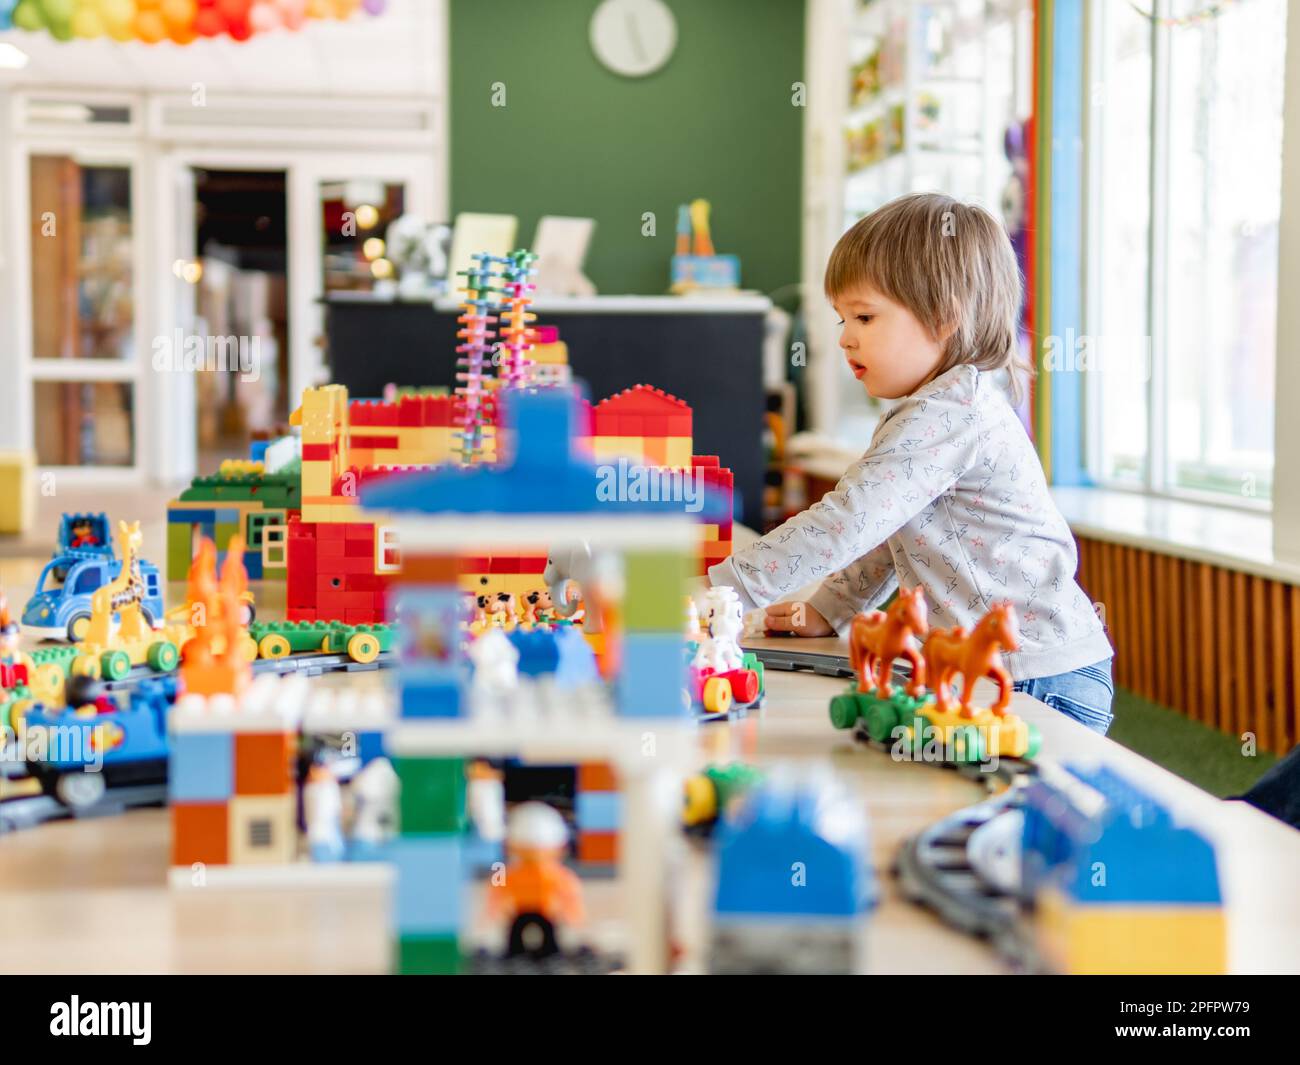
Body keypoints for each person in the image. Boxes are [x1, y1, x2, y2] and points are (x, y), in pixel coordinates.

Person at [709, 192, 1115, 732]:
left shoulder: (949, 412)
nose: (846, 337)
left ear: (944, 316)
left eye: (865, 316)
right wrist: (832, 606)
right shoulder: (932, 408)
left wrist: (718, 593)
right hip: (1017, 667)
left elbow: (846, 521)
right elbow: (885, 533)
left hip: (1033, 677)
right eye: (841, 318)